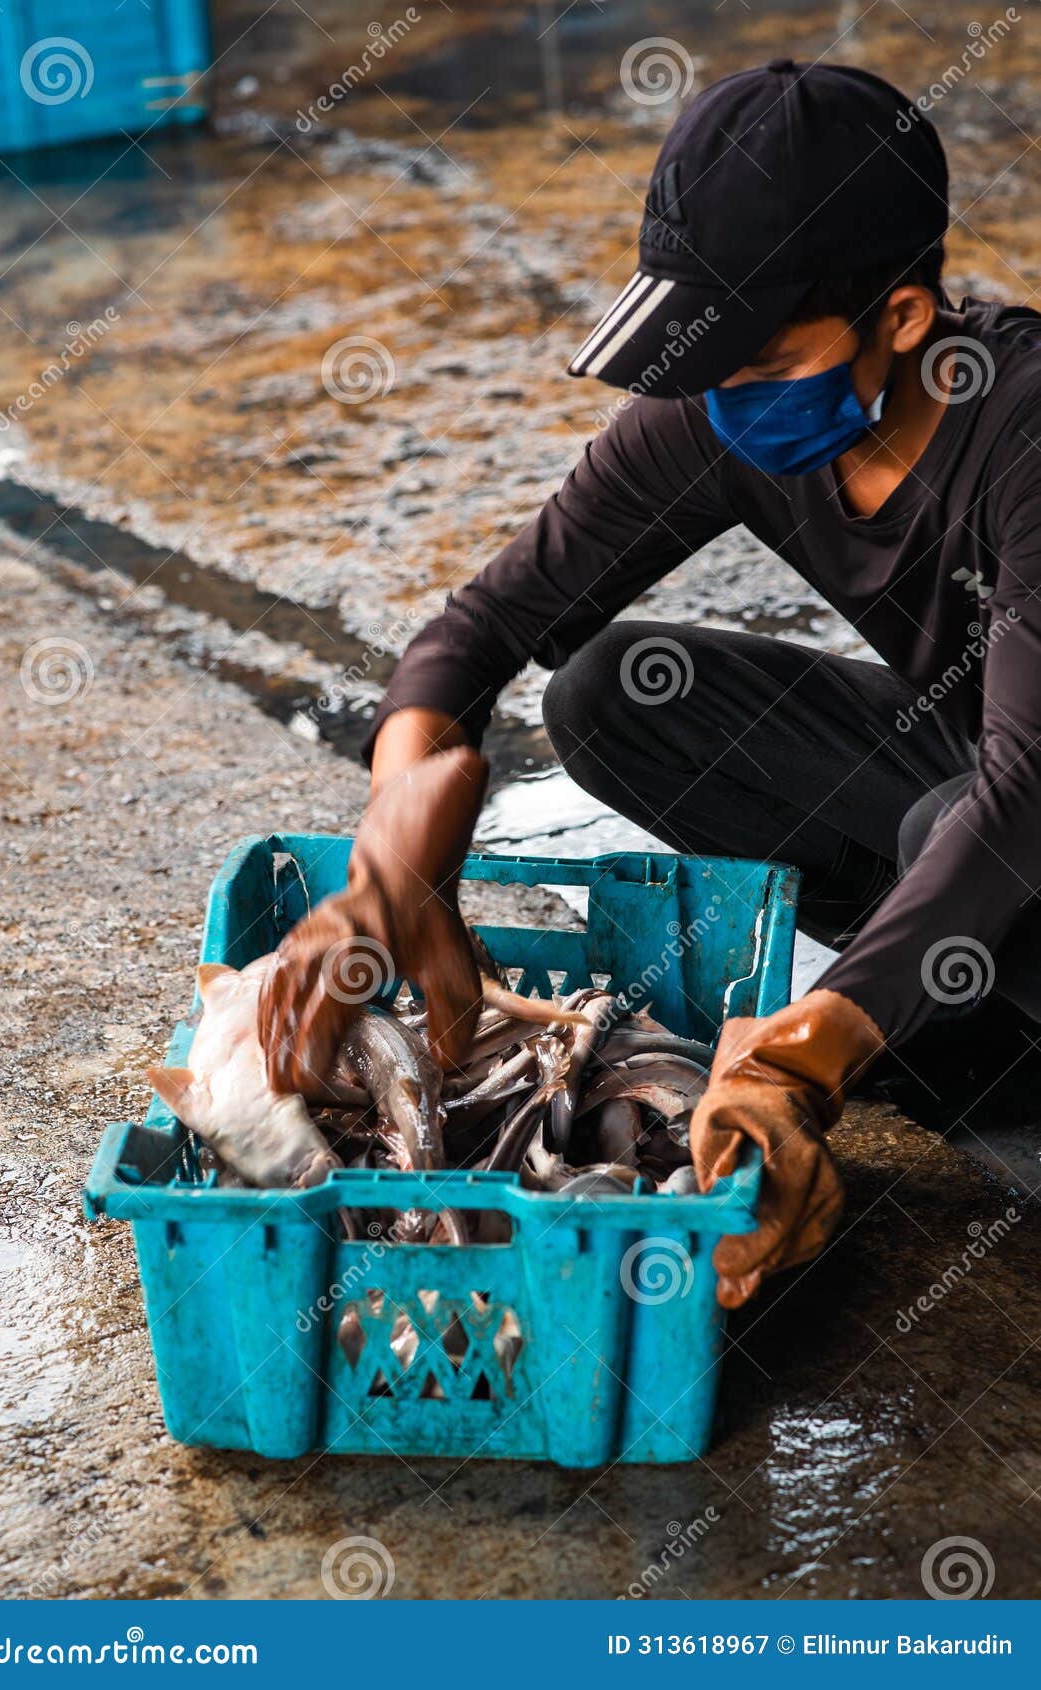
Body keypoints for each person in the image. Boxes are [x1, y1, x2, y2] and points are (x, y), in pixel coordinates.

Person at [259, 60, 1041, 1308]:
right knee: (615, 693)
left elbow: (1021, 799)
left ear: (902, 319)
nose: (709, 390)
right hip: (978, 787)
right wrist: (393, 845)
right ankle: (954, 1020)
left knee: (947, 827)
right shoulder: (718, 405)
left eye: (751, 355)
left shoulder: (1021, 433)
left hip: (1014, 801)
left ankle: (916, 1014)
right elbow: (482, 627)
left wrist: (805, 1051)